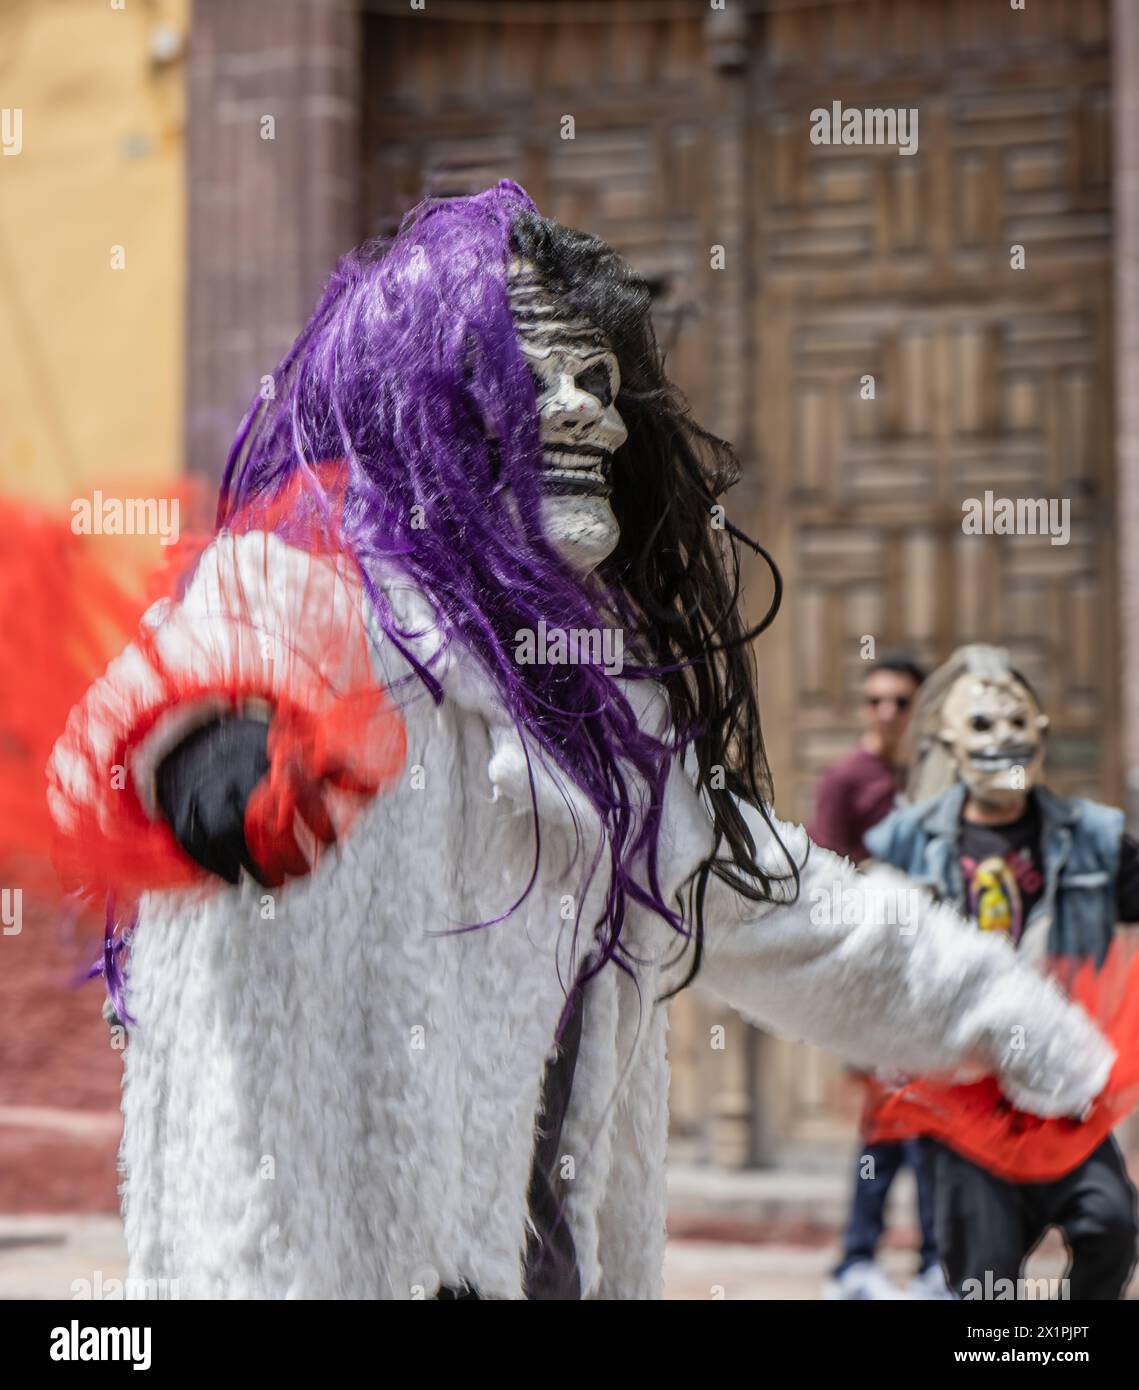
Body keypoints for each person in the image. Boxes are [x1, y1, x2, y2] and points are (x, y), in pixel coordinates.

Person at [48, 184, 1116, 1299]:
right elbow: (125, 732)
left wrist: (1041, 1063)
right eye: (543, 369)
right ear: (435, 392)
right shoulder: (302, 595)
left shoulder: (605, 719)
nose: (589, 414)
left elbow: (808, 921)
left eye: (599, 378)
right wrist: (195, 760)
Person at [866, 644, 1139, 1300]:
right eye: (983, 726)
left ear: (1040, 736)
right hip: (965, 1099)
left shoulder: (1092, 839)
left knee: (1110, 1226)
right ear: (949, 744)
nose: (1004, 739)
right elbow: (874, 949)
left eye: (1017, 724)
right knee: (984, 1284)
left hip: (1060, 1089)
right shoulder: (905, 845)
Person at [811, 657, 947, 1299]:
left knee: (925, 1122)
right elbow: (823, 879)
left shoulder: (934, 780)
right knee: (892, 1122)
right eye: (876, 701)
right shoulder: (846, 781)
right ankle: (864, 1261)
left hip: (931, 974)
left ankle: (911, 1262)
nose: (888, 712)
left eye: (901, 701)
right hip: (875, 978)